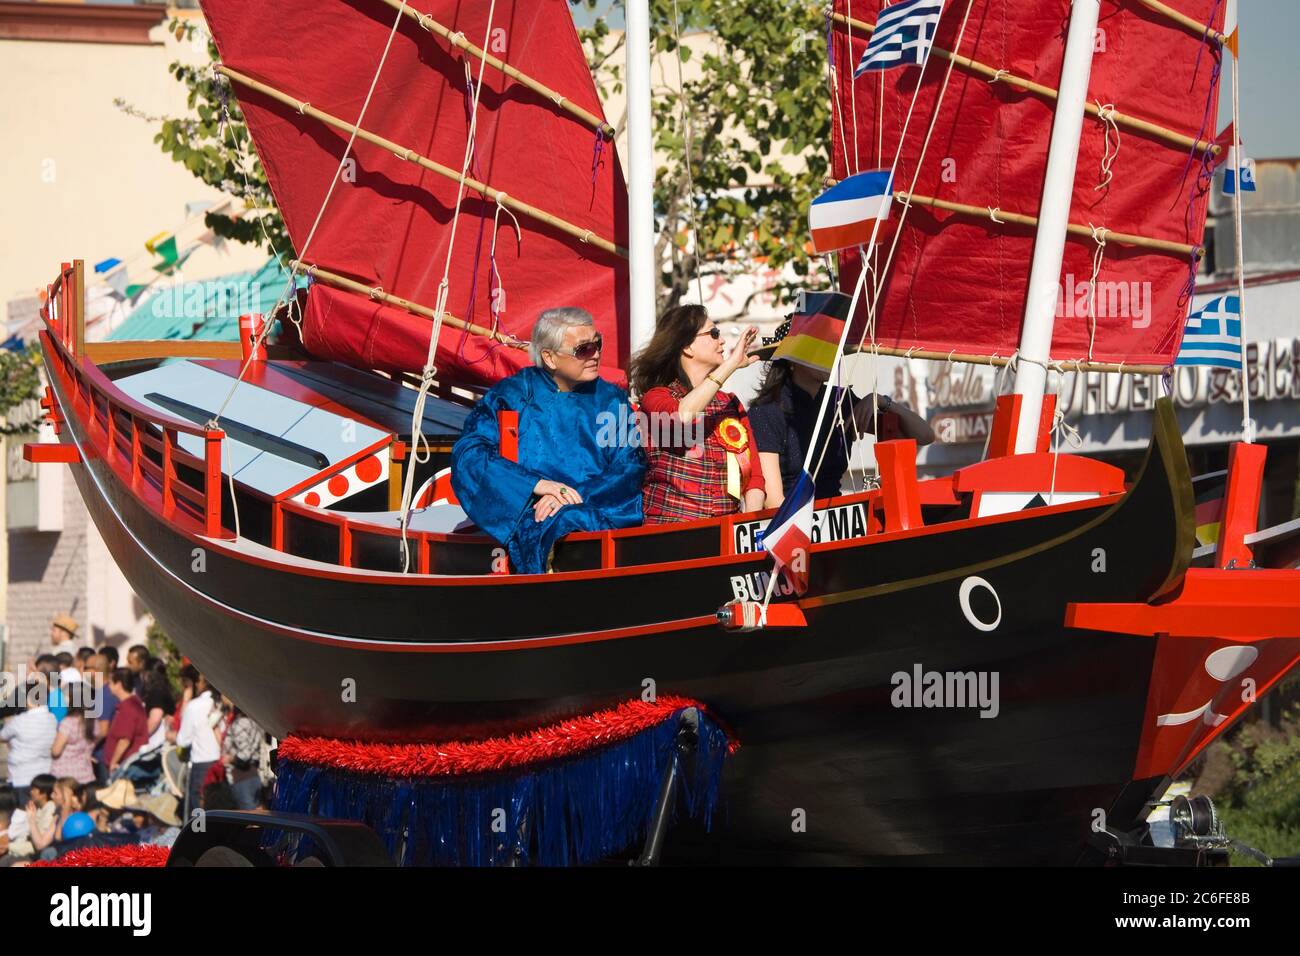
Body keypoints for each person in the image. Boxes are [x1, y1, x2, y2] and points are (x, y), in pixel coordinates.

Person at [451, 307, 645, 573]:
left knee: (574, 518)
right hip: (530, 511)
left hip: (597, 507)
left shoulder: (612, 400)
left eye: (597, 344)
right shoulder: (511, 396)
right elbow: (469, 455)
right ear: (550, 358)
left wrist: (571, 496)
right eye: (583, 350)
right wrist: (536, 485)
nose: (596, 354)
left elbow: (630, 465)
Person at [749, 331, 935, 507]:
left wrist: (880, 401)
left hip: (837, 519)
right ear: (792, 360)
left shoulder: (840, 400)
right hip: (792, 528)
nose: (830, 355)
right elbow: (773, 501)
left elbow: (925, 436)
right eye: (817, 348)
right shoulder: (766, 412)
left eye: (830, 347)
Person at [629, 305, 765, 523]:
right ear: (687, 347)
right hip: (670, 532)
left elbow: (755, 478)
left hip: (726, 528)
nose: (721, 341)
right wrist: (730, 365)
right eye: (713, 334)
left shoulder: (729, 402)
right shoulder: (656, 397)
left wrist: (747, 526)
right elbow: (681, 416)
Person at [0, 678, 58, 804]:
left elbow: (2, 736)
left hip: (20, 777)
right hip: (44, 777)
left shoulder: (19, 721)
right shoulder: (52, 719)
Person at [173, 673, 221, 821]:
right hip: (222, 762)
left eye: (199, 681)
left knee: (199, 813)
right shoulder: (222, 703)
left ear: (204, 683)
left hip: (202, 762)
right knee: (219, 809)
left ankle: (199, 841)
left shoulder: (195, 706)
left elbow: (183, 740)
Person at [102, 669, 149, 778]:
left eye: (110, 683)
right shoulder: (130, 703)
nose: (108, 686)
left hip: (123, 766)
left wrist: (113, 762)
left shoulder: (129, 708)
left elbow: (124, 740)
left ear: (118, 684)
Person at [220, 698, 264, 811]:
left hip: (242, 777)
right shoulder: (255, 721)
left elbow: (245, 755)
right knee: (256, 816)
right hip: (253, 775)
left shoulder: (241, 723)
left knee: (249, 818)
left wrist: (230, 758)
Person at [51, 692, 97, 785]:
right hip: (86, 774)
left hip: (65, 776)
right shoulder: (94, 723)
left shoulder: (68, 723)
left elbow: (56, 751)